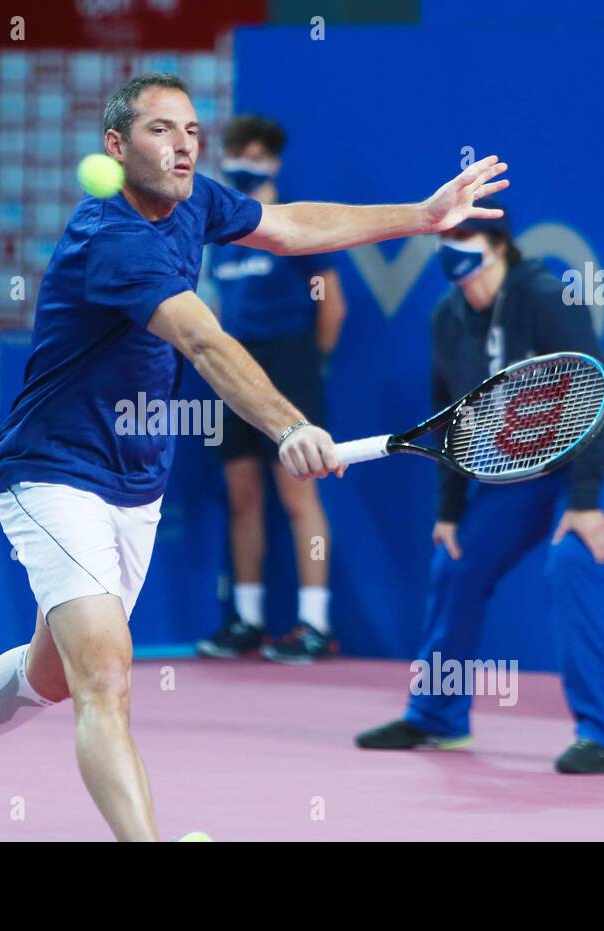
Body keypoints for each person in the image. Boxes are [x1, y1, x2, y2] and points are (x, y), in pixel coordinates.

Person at [0, 72, 509, 841]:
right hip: (54, 471)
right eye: (161, 130)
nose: (183, 146)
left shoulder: (193, 199)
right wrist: (288, 423)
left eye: (192, 130)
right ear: (116, 146)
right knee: (105, 675)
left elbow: (291, 225)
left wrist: (421, 215)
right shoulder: (113, 241)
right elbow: (204, 340)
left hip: (136, 482)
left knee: (53, 676)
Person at [354, 198, 604, 774]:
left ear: (500, 246)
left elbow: (598, 394)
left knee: (573, 560)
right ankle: (437, 718)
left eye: (467, 236)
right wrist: (449, 510)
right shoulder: (446, 317)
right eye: (446, 235)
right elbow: (454, 419)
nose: (454, 248)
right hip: (529, 461)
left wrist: (588, 503)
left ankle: (601, 736)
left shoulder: (544, 296)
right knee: (456, 561)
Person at [195, 114, 346, 664]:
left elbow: (333, 305)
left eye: (258, 156)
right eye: (239, 153)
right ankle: (248, 620)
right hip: (235, 372)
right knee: (241, 496)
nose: (246, 164)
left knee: (297, 493)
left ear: (275, 163)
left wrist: (312, 365)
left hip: (291, 364)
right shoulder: (225, 235)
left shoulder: (296, 226)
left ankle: (314, 623)